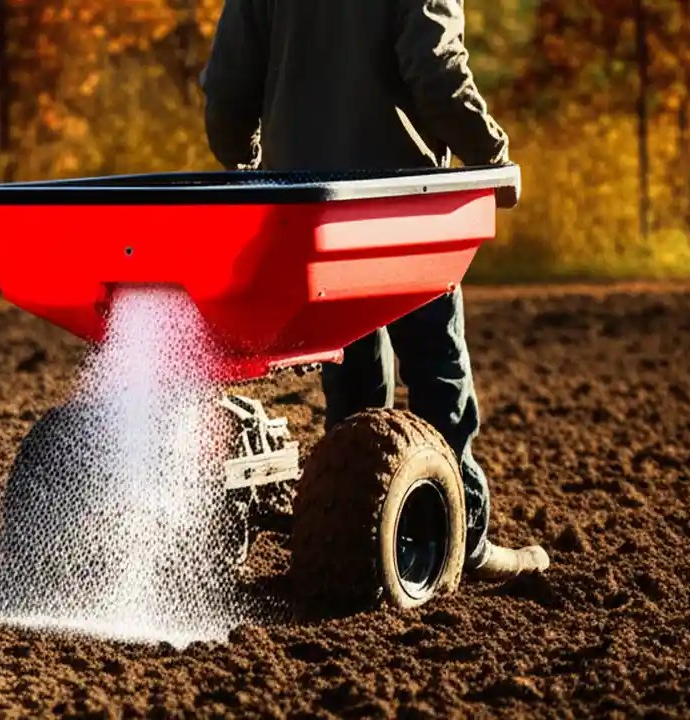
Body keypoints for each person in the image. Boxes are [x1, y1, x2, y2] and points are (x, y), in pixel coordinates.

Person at [200, 0, 549, 580]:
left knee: (351, 357)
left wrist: (243, 157)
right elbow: (436, 69)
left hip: (305, 205)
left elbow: (228, 83)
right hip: (401, 203)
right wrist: (491, 155)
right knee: (436, 368)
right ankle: (462, 535)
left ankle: (350, 527)